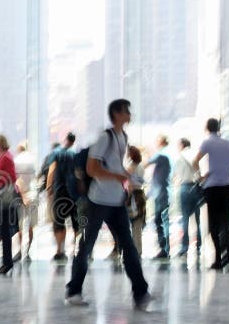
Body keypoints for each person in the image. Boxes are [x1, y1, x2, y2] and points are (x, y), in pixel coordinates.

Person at [64, 99, 151, 310]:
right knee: (86, 247)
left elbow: (114, 166)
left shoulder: (124, 137)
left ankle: (140, 292)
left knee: (128, 247)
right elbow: (92, 169)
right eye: (126, 110)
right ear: (118, 113)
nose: (130, 113)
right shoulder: (106, 137)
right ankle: (73, 290)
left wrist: (125, 173)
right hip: (99, 201)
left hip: (116, 201)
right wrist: (118, 176)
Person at [192, 118, 229, 271]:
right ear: (218, 128)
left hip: (211, 188)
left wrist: (201, 176)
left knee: (213, 224)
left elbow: (195, 161)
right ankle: (228, 259)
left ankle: (217, 259)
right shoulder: (228, 144)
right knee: (225, 223)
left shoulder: (207, 143)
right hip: (226, 187)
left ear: (207, 128)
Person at [46, 132, 79, 262]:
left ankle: (60, 250)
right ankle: (76, 249)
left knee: (59, 222)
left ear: (65, 139)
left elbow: (52, 169)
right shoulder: (75, 154)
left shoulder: (56, 152)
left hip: (59, 191)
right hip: (73, 192)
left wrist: (49, 187)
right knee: (75, 222)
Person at [0, 135, 19, 275]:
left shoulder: (5, 158)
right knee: (4, 230)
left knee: (4, 230)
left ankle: (7, 263)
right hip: (6, 197)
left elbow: (10, 177)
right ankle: (6, 262)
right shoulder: (6, 156)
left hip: (5, 198)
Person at [174, 138, 202, 258]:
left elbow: (175, 176)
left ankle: (185, 248)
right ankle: (199, 247)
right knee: (197, 220)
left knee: (186, 219)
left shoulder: (180, 157)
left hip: (185, 188)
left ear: (182, 145)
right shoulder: (195, 153)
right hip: (196, 187)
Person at [145, 135, 171, 259]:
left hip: (160, 194)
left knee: (159, 221)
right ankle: (165, 249)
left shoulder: (161, 155)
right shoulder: (167, 155)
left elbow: (146, 163)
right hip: (164, 192)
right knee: (163, 221)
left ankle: (164, 249)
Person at [14, 142, 38, 262]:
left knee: (20, 226)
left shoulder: (16, 160)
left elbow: (16, 180)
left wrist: (22, 195)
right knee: (30, 226)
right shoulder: (32, 160)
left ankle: (20, 251)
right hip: (32, 195)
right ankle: (27, 252)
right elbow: (35, 178)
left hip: (21, 196)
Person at [126, 146, 147, 256]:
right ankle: (138, 249)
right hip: (141, 195)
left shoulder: (130, 167)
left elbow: (129, 184)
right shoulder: (141, 166)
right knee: (137, 225)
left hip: (133, 196)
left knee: (132, 224)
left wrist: (127, 198)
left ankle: (133, 250)